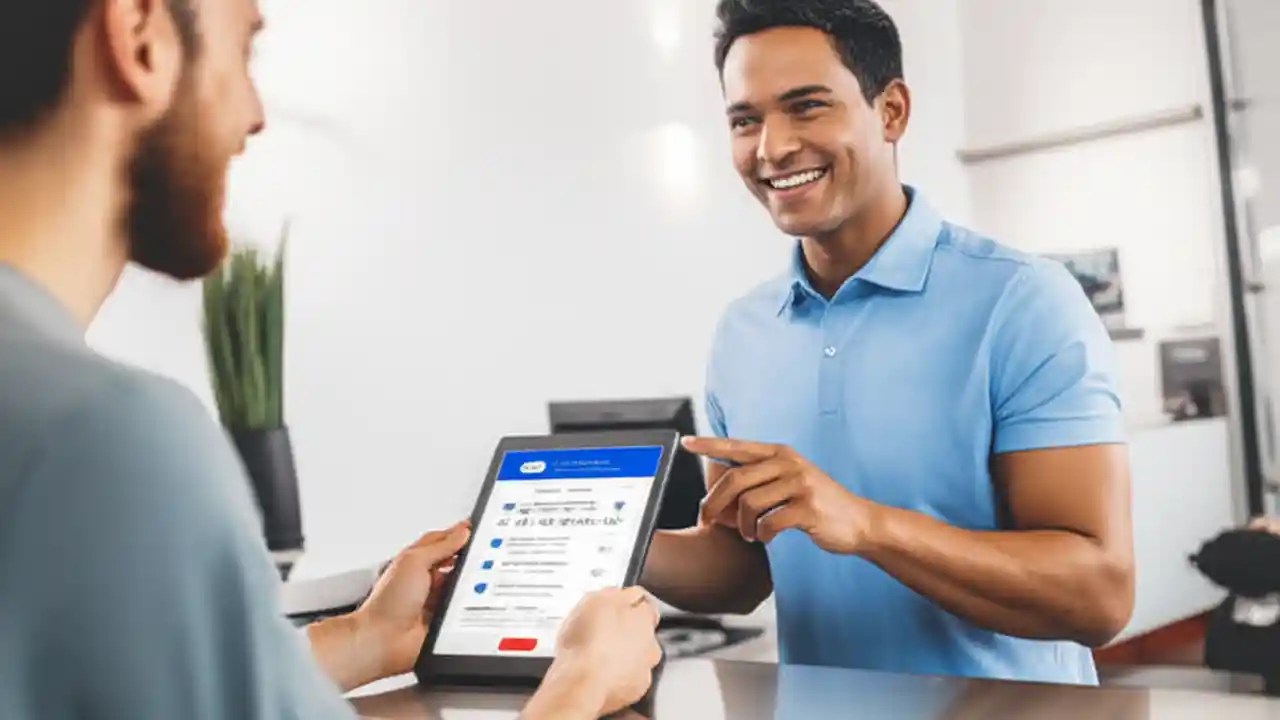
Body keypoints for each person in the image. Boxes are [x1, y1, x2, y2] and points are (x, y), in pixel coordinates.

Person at [0, 1, 660, 718]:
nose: (255, 117)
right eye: (244, 51)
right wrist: (584, 680)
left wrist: (365, 638)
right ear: (140, 39)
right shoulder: (101, 435)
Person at [643, 0, 1135, 685]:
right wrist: (602, 541)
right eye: (744, 119)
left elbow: (1100, 594)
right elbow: (741, 570)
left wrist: (866, 526)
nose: (772, 148)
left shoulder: (1023, 301)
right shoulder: (743, 331)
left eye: (806, 106)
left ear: (892, 111)